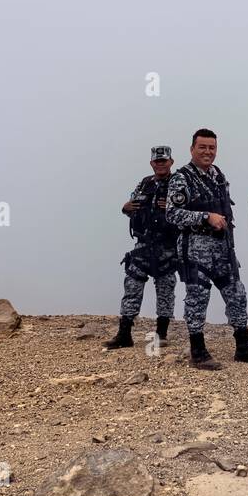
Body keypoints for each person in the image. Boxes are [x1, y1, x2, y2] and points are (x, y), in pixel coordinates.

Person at [165, 129, 248, 370]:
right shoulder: (182, 178)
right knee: (197, 299)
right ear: (192, 149)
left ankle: (243, 347)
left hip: (222, 248)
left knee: (237, 294)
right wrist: (205, 217)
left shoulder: (218, 175)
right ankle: (198, 352)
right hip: (195, 248)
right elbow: (172, 213)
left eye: (212, 148)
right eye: (202, 147)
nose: (207, 152)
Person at [104, 146, 179, 349]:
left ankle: (161, 334)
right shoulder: (145, 183)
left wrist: (174, 208)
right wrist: (125, 208)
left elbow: (188, 211)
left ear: (171, 162)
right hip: (143, 246)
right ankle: (124, 334)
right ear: (152, 163)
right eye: (157, 161)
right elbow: (132, 206)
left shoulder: (178, 183)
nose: (161, 164)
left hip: (167, 248)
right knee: (132, 287)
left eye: (164, 161)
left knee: (165, 290)